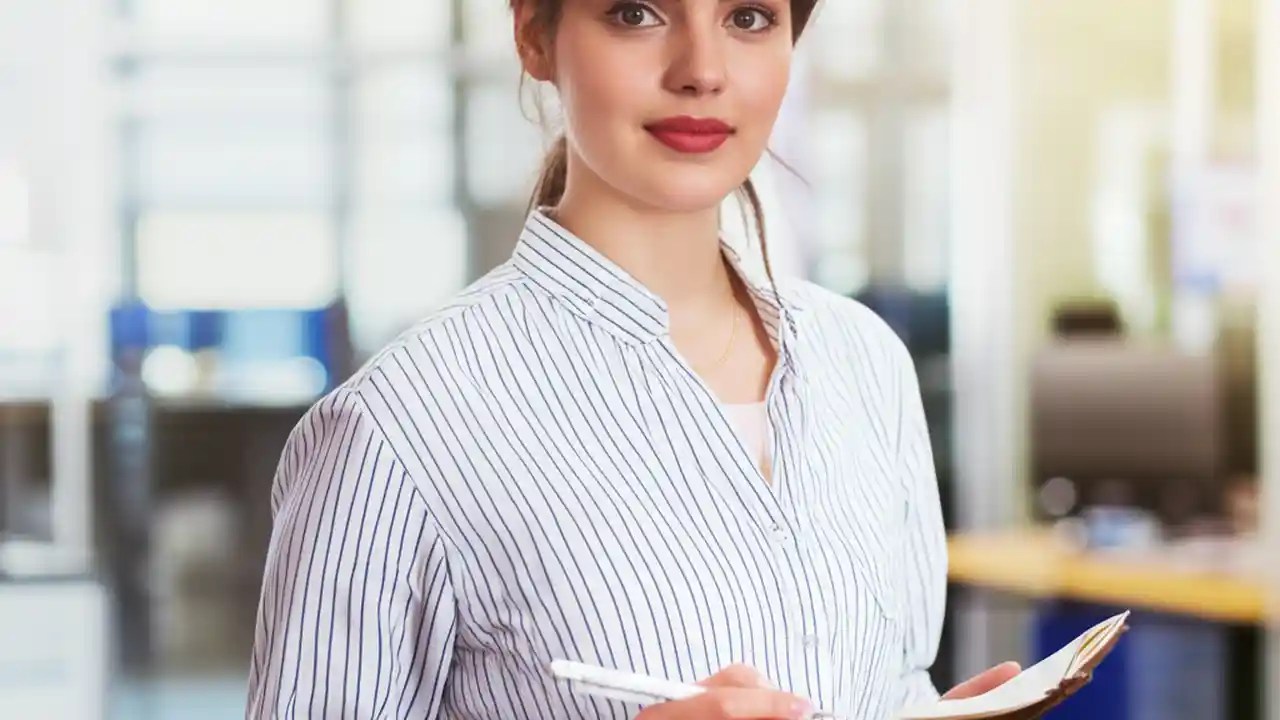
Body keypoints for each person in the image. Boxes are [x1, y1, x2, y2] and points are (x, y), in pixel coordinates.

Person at [246, 0, 1021, 717]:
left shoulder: (864, 364)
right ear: (533, 35)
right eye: (637, 12)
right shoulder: (396, 430)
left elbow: (891, 685)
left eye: (748, 16)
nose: (702, 70)